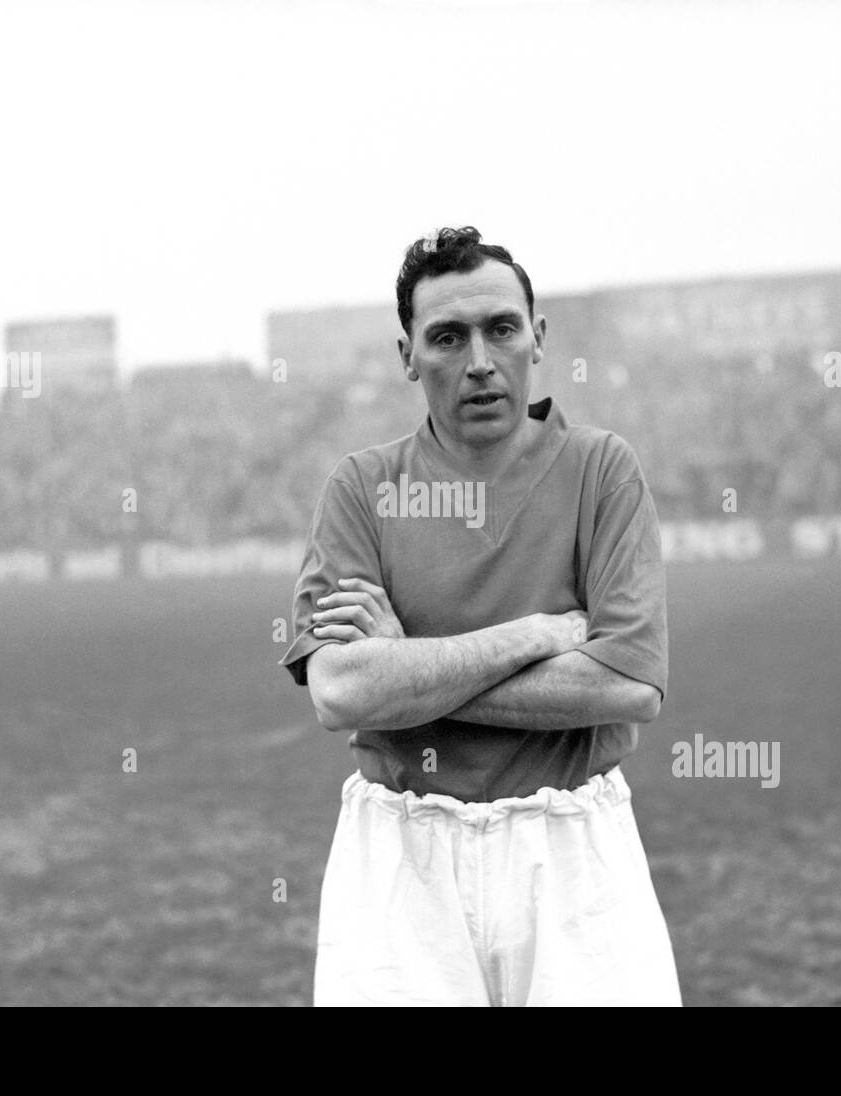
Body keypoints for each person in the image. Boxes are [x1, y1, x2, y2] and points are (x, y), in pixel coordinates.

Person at [280, 226, 681, 1007]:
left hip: (572, 847)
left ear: (538, 337)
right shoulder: (361, 488)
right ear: (407, 356)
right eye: (447, 337)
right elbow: (338, 693)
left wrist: (406, 669)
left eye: (500, 328)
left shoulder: (602, 471)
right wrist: (533, 637)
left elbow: (631, 685)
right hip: (399, 858)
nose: (479, 362)